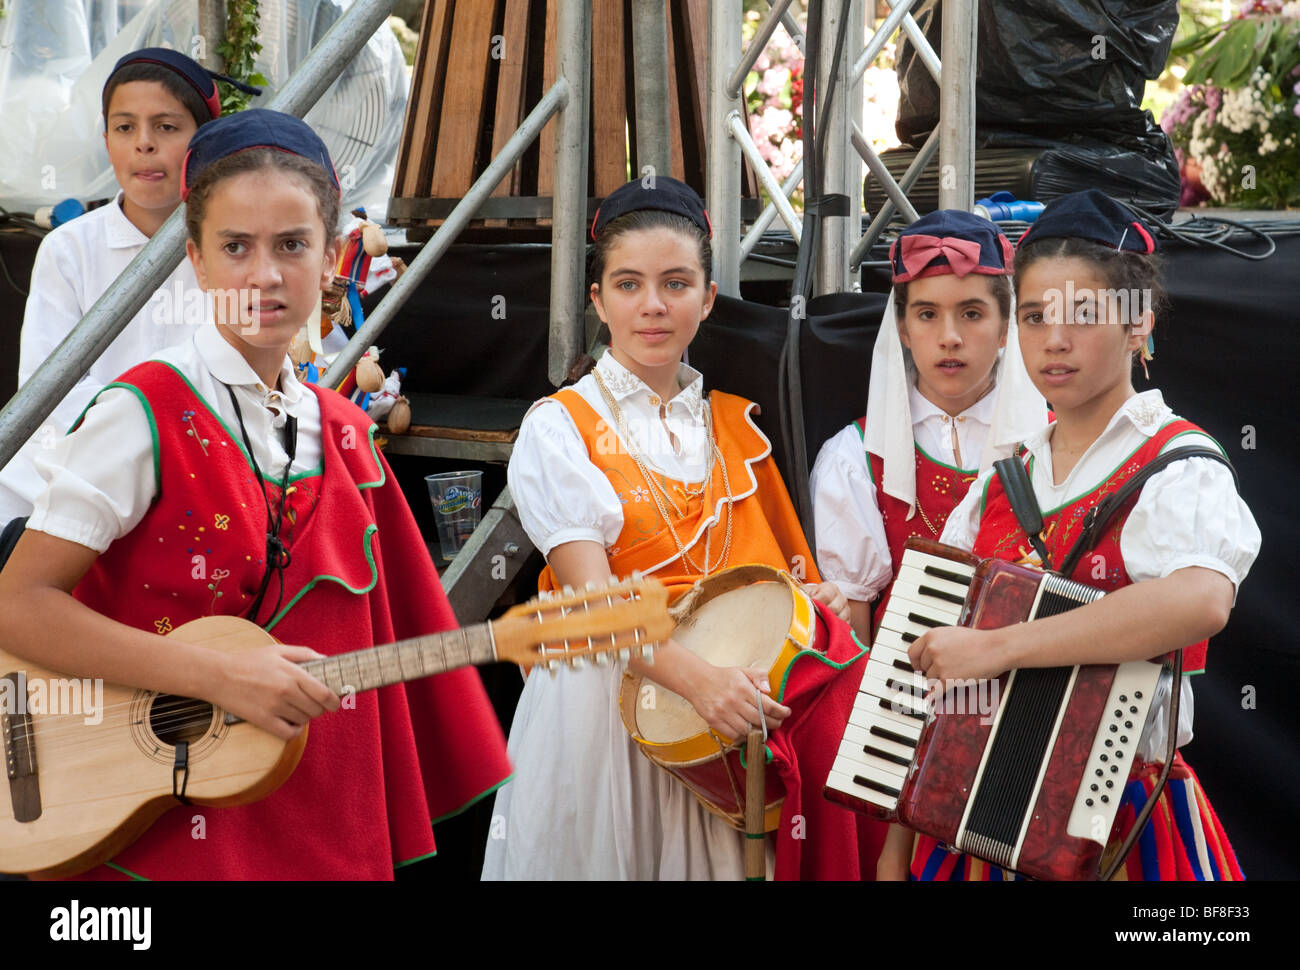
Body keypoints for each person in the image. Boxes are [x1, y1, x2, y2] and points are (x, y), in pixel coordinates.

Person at [0, 109, 511, 880]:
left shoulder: (340, 430)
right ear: (195, 261)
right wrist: (215, 676)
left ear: (335, 257)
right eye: (235, 246)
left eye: (292, 246)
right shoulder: (142, 412)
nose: (263, 276)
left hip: (318, 819)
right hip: (165, 823)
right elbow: (17, 602)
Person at [483, 177, 867, 880]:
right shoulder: (559, 427)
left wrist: (817, 607)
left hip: (723, 714)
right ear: (597, 299)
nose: (653, 306)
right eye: (628, 284)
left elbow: (780, 580)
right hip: (610, 709)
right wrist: (698, 682)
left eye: (676, 283)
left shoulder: (736, 426)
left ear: (709, 298)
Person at [877, 189, 1260, 881]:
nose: (1054, 340)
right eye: (1032, 317)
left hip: (1123, 822)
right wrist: (894, 850)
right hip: (967, 820)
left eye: (1085, 315)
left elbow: (1198, 602)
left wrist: (997, 649)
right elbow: (927, 671)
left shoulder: (1178, 464)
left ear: (1139, 324)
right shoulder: (997, 485)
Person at [0, 48, 243, 523]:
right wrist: (144, 447)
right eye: (125, 127)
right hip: (63, 481)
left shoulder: (233, 248)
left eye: (167, 127)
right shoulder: (68, 249)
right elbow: (47, 392)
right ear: (106, 138)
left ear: (202, 141)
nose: (143, 144)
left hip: (201, 477)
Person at [811, 210, 1047, 644]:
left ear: (1004, 328)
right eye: (927, 314)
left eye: (972, 313)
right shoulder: (855, 457)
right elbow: (855, 645)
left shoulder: (1054, 443)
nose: (950, 337)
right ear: (901, 327)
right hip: (898, 703)